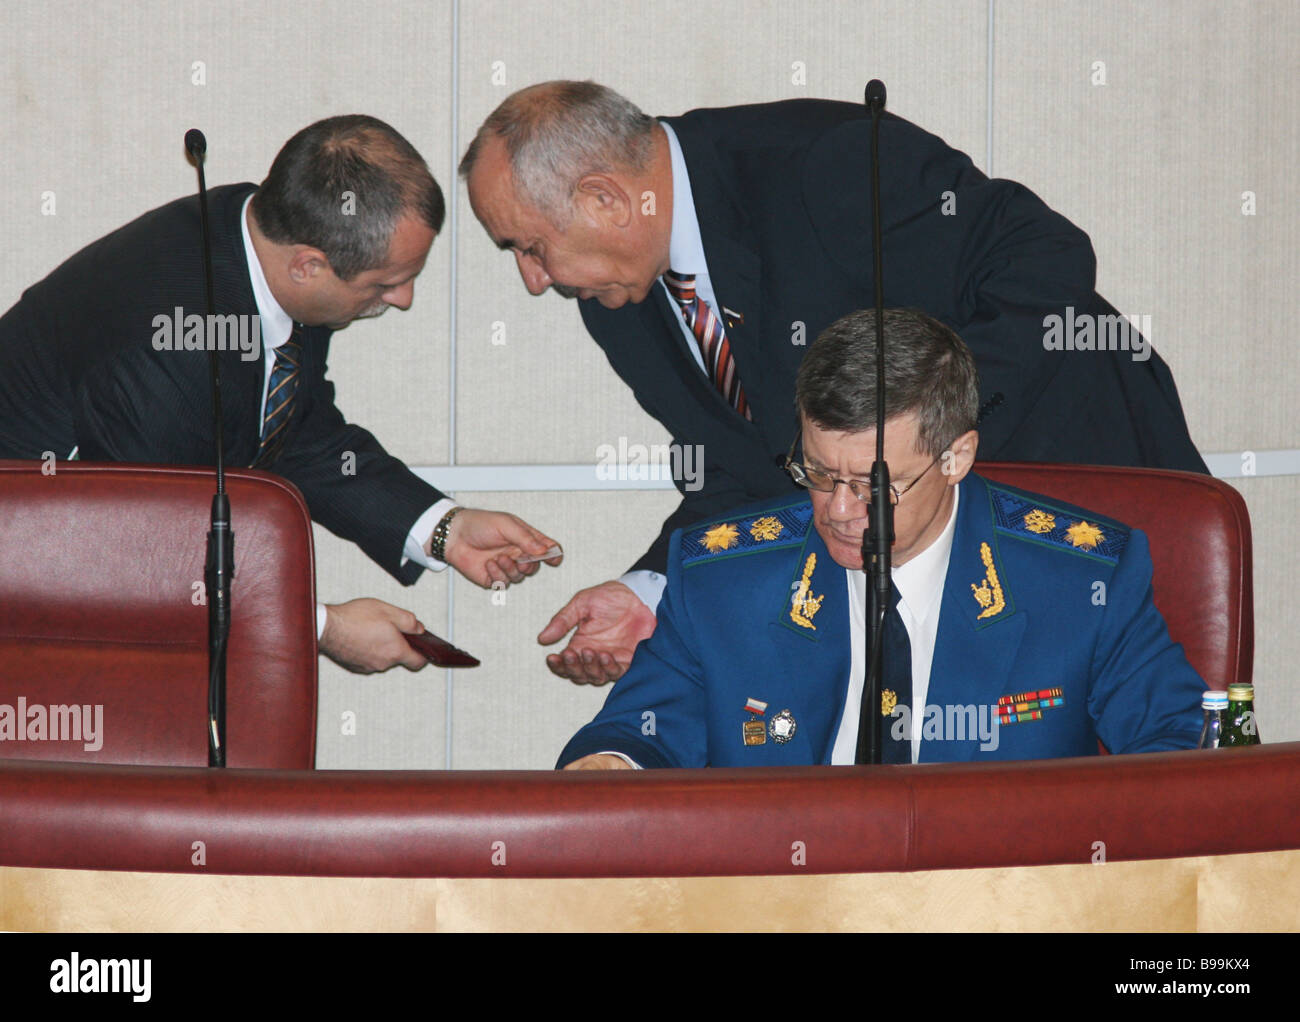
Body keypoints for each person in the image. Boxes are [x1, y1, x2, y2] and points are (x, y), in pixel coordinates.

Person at [460, 80, 1207, 686]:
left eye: (530, 247)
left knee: (1159, 786)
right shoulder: (621, 303)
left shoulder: (819, 161)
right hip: (930, 577)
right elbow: (744, 467)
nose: (534, 281)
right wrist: (650, 590)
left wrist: (922, 421)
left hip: (1080, 486)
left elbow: (1047, 258)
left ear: (605, 200)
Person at [0, 115, 561, 673]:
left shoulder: (263, 235)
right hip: (31, 606)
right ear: (308, 266)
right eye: (384, 284)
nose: (404, 299)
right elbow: (149, 552)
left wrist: (444, 529)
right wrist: (321, 627)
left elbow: (298, 431)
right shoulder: (166, 342)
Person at [557, 308, 1205, 769]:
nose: (839, 510)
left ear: (956, 457)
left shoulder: (1081, 580)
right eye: (817, 472)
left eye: (875, 485)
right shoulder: (719, 581)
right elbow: (636, 734)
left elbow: (1181, 748)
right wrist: (611, 766)